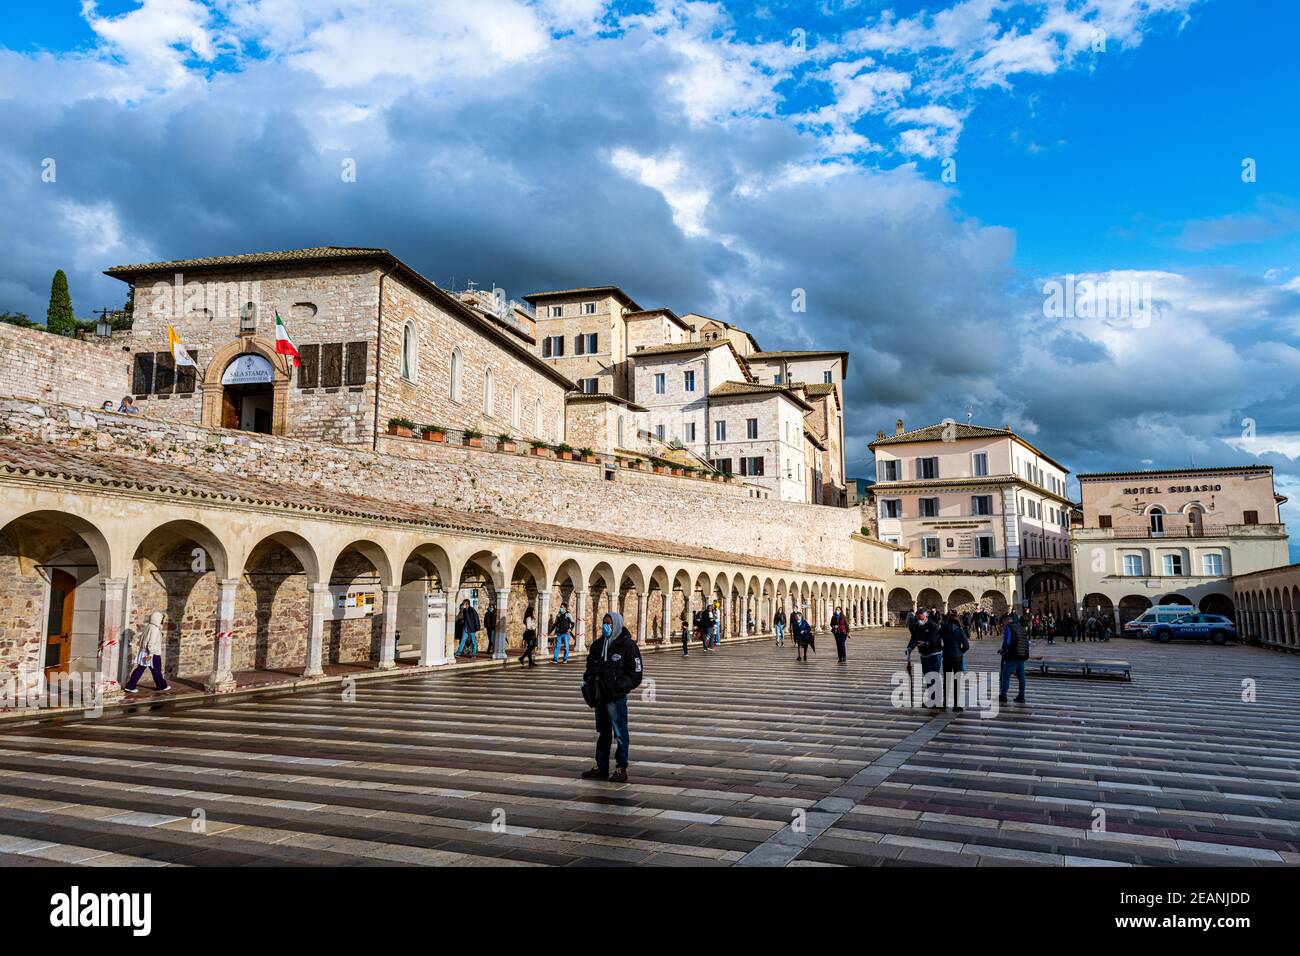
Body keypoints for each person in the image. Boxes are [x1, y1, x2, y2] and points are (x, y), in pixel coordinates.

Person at [579, 611, 643, 784]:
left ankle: (621, 767)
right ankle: (601, 766)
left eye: (608, 623)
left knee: (620, 733)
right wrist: (590, 681)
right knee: (603, 733)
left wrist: (617, 686)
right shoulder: (598, 645)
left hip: (616, 698)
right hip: (601, 697)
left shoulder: (628, 646)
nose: (605, 627)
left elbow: (636, 673)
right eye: (603, 623)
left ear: (616, 624)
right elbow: (590, 666)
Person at [124, 611, 171, 694]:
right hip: (152, 653)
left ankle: (130, 686)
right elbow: (151, 643)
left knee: (141, 669)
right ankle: (162, 686)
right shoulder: (155, 629)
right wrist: (150, 654)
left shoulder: (148, 626)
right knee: (156, 670)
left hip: (144, 652)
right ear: (158, 619)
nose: (162, 621)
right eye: (161, 619)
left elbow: (142, 639)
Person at [906, 609, 943, 707]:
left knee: (934, 677)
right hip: (924, 655)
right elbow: (914, 638)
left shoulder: (934, 626)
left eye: (920, 618)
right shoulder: (917, 626)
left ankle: (937, 700)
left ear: (926, 617)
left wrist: (927, 643)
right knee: (928, 677)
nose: (919, 620)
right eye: (917, 619)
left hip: (934, 654)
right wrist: (910, 647)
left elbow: (936, 639)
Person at [939, 610, 970, 711]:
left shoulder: (943, 629)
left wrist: (943, 648)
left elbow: (936, 641)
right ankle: (956, 705)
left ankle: (945, 703)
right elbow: (966, 646)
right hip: (957, 657)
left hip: (947, 656)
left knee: (946, 680)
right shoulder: (960, 631)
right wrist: (960, 651)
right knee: (957, 681)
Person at [998, 612, 1031, 703]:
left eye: (1003, 622)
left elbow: (1007, 642)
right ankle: (1021, 695)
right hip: (1023, 654)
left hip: (1014, 655)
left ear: (1006, 620)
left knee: (1005, 674)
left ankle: (1003, 695)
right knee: (1021, 675)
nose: (1002, 624)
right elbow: (1027, 641)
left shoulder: (1009, 627)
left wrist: (1003, 650)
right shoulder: (1021, 627)